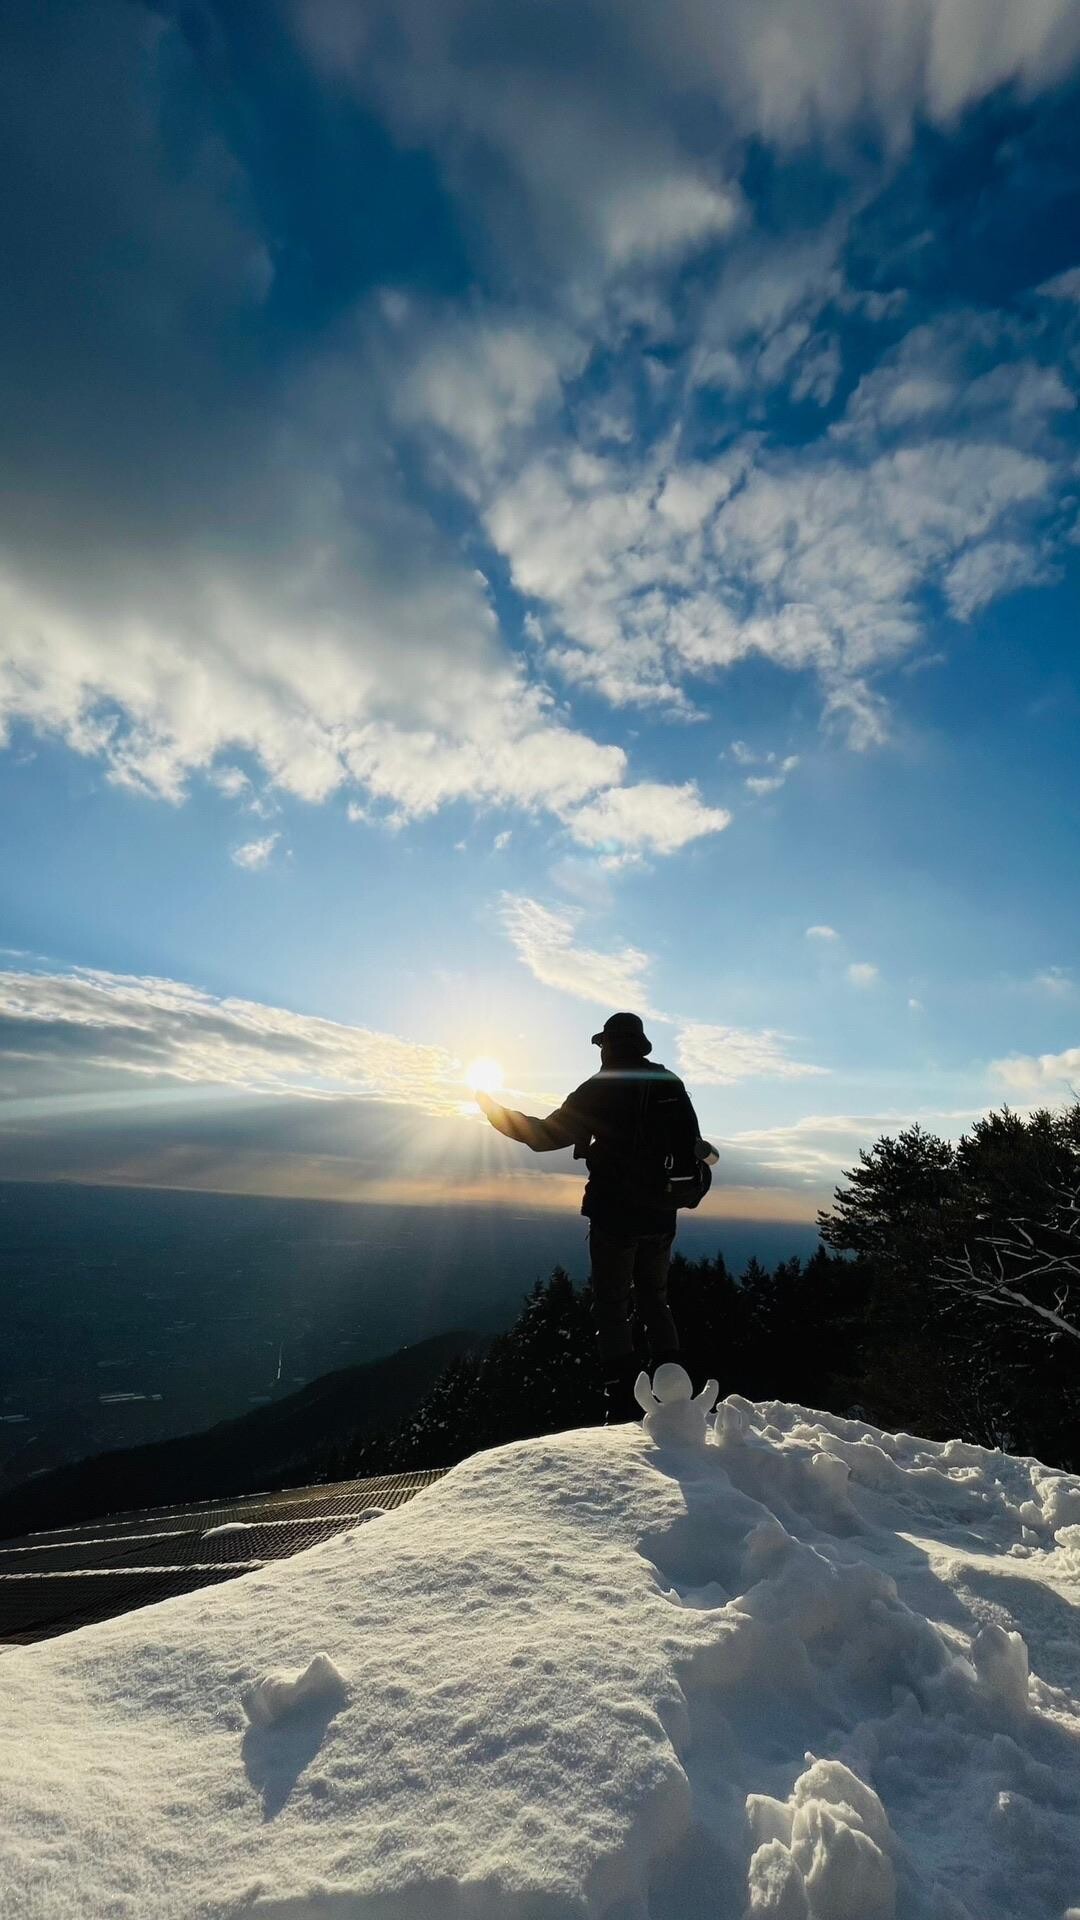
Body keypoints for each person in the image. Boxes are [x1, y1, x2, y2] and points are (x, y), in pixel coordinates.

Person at [476, 1012, 718, 1422]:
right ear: (640, 1045)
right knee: (655, 1300)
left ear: (607, 1045)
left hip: (615, 1215)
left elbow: (542, 1136)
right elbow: (693, 1145)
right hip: (662, 1215)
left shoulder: (600, 1089)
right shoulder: (670, 1084)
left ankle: (624, 1402)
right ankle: (675, 1397)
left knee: (611, 1304)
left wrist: (490, 1109)